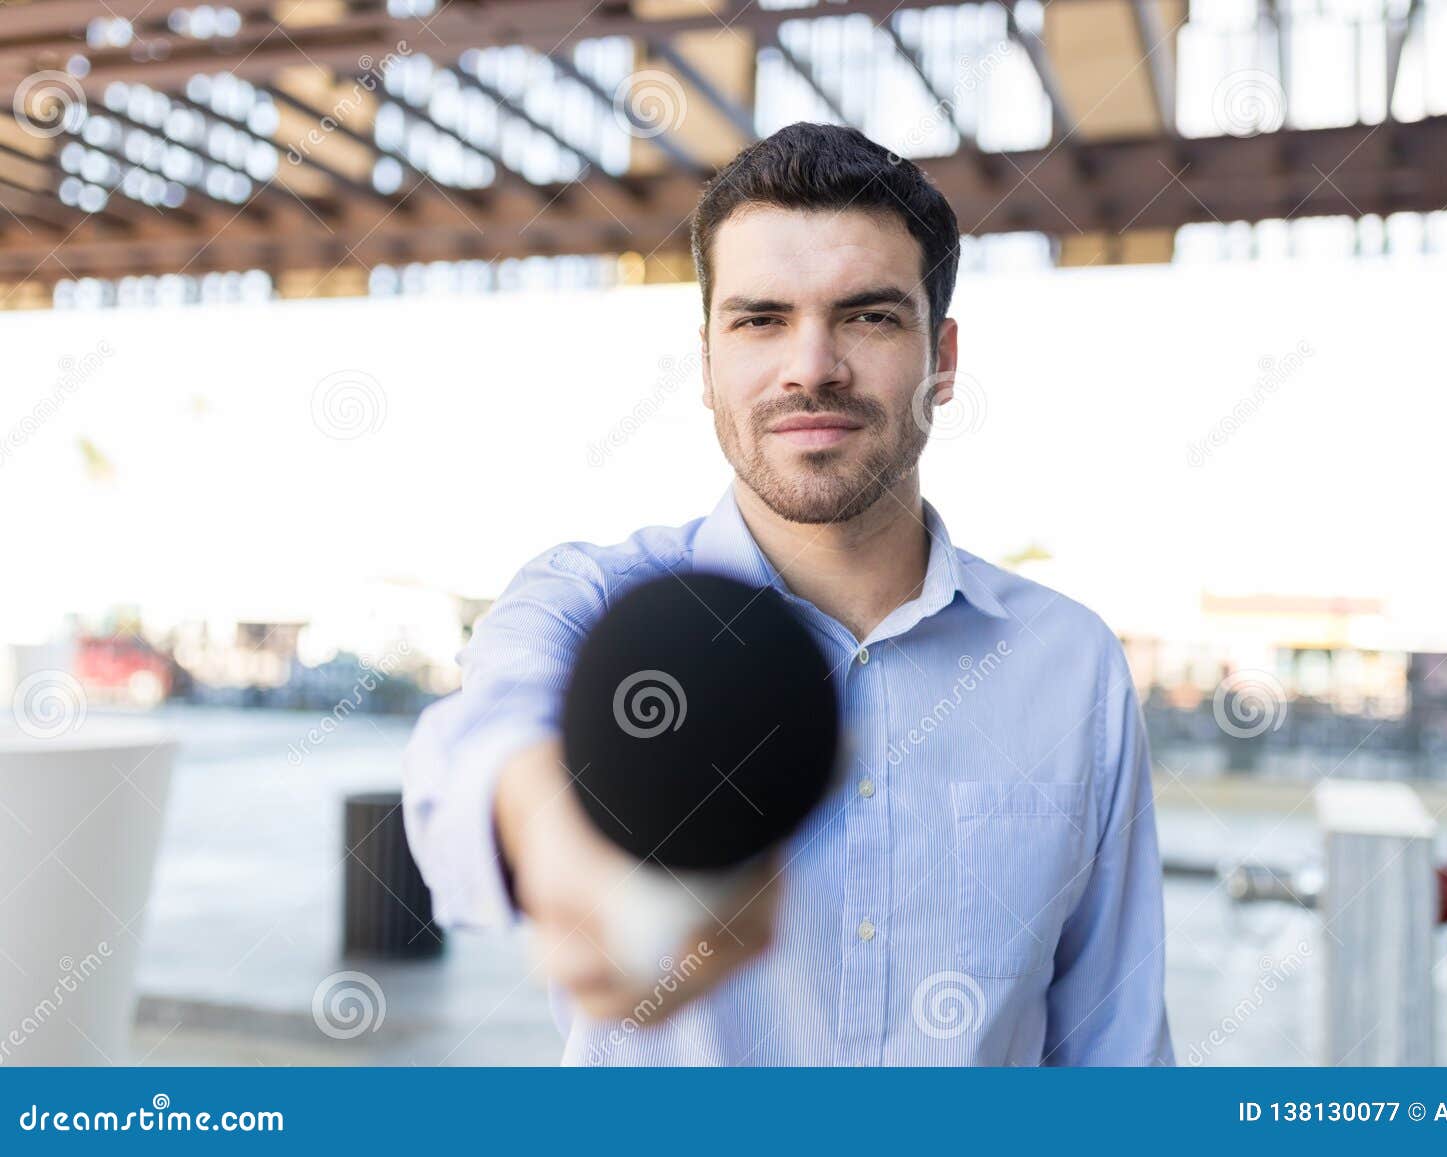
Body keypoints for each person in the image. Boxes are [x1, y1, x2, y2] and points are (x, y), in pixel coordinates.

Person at [402, 121, 1174, 1066]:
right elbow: (474, 744)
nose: (811, 366)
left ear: (943, 360)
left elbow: (1117, 1052)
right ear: (706, 362)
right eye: (761, 320)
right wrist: (544, 825)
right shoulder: (589, 601)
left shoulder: (1071, 663)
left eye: (869, 316)